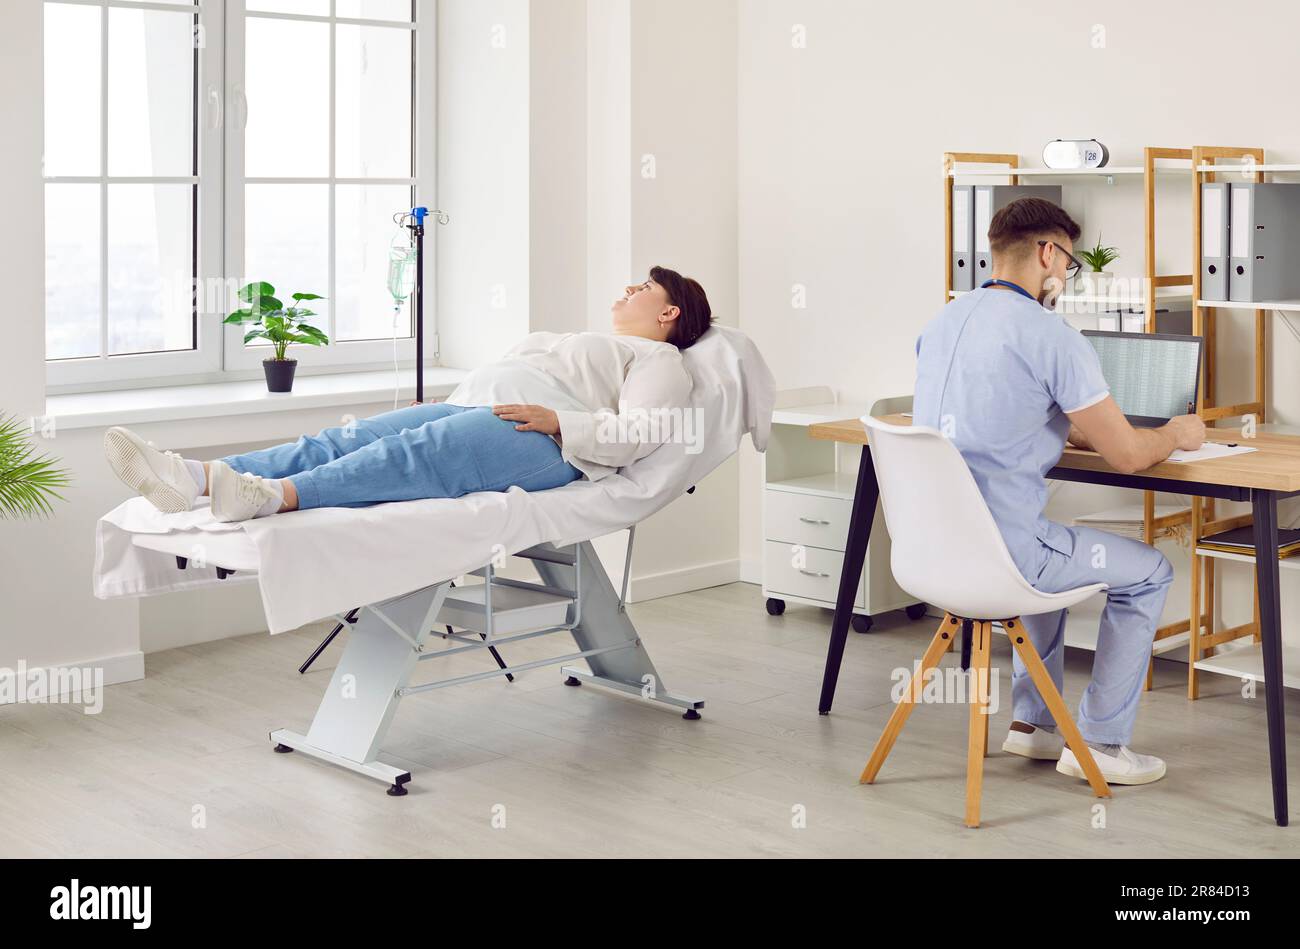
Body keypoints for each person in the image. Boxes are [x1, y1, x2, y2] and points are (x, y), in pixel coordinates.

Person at [912, 197, 1206, 786]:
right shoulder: (1051, 335)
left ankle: (1035, 725)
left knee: (1044, 545)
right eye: (1069, 263)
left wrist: (1063, 423)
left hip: (932, 554)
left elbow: (984, 415)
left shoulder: (942, 322)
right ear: (1048, 253)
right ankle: (1100, 743)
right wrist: (1178, 432)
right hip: (1007, 556)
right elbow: (1128, 455)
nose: (1066, 276)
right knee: (1150, 572)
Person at [105, 266, 712, 523]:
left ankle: (271, 498)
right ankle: (197, 476)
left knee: (406, 455)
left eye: (643, 288)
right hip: (476, 409)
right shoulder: (576, 340)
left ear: (670, 313)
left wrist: (559, 422)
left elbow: (639, 434)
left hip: (544, 442)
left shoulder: (660, 361)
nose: (627, 291)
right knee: (344, 440)